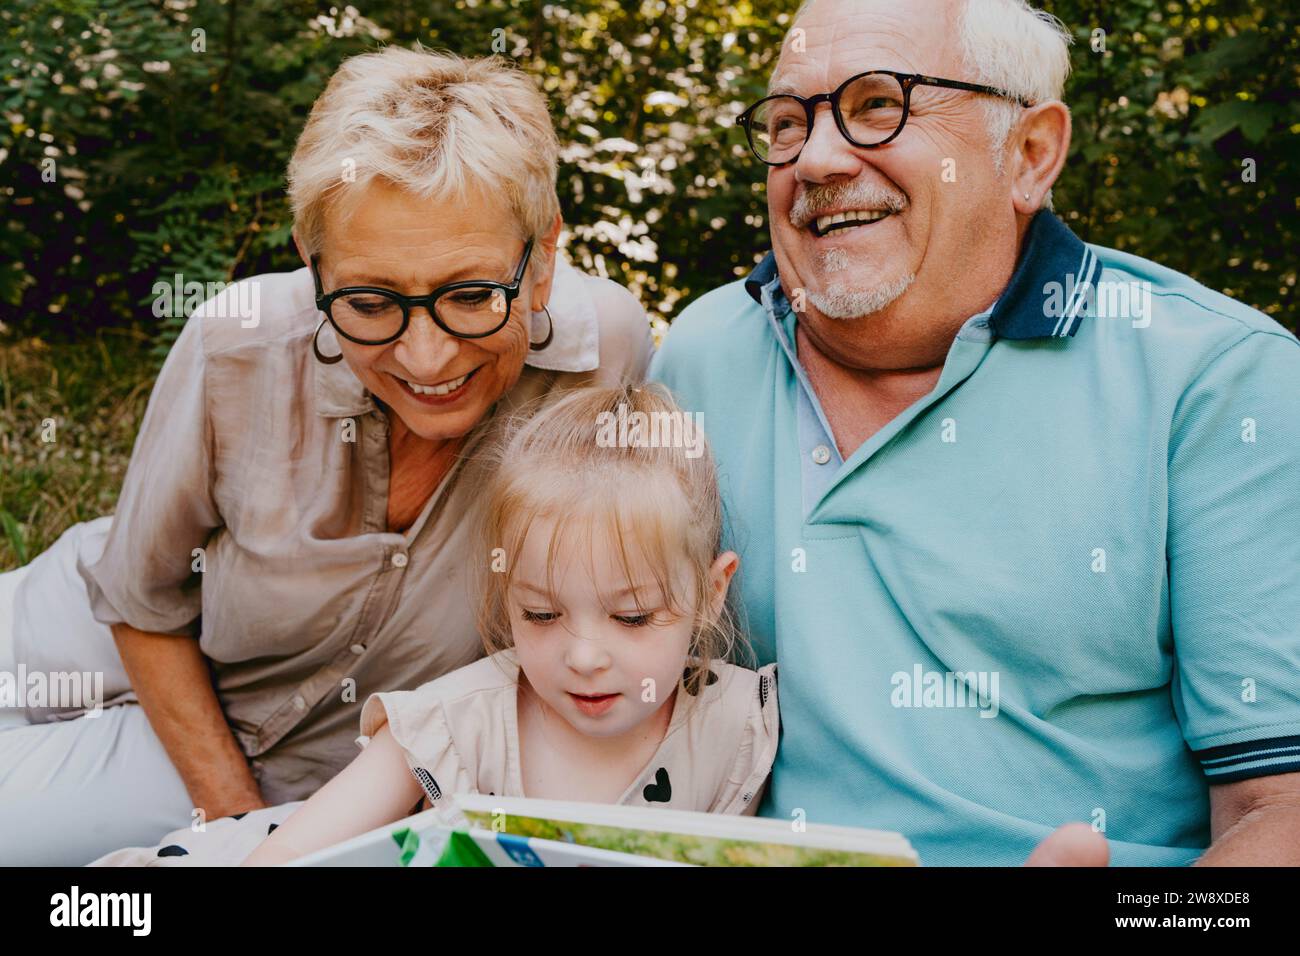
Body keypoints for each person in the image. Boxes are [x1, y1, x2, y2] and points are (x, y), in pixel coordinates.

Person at [650, 0, 1300, 866]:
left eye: (878, 104)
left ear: (1029, 155)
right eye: (785, 122)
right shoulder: (699, 358)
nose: (814, 157)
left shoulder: (1215, 379)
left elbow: (1278, 811)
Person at [0, 45, 653, 865]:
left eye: (470, 295)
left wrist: (254, 833)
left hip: (287, 758)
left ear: (545, 260)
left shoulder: (609, 360)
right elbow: (140, 600)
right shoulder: (236, 342)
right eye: (371, 302)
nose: (426, 358)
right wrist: (233, 820)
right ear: (314, 268)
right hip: (105, 629)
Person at [85, 384, 779, 866]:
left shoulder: (730, 730)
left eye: (631, 616)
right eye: (541, 613)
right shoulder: (460, 723)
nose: (585, 656)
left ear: (711, 593)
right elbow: (290, 852)